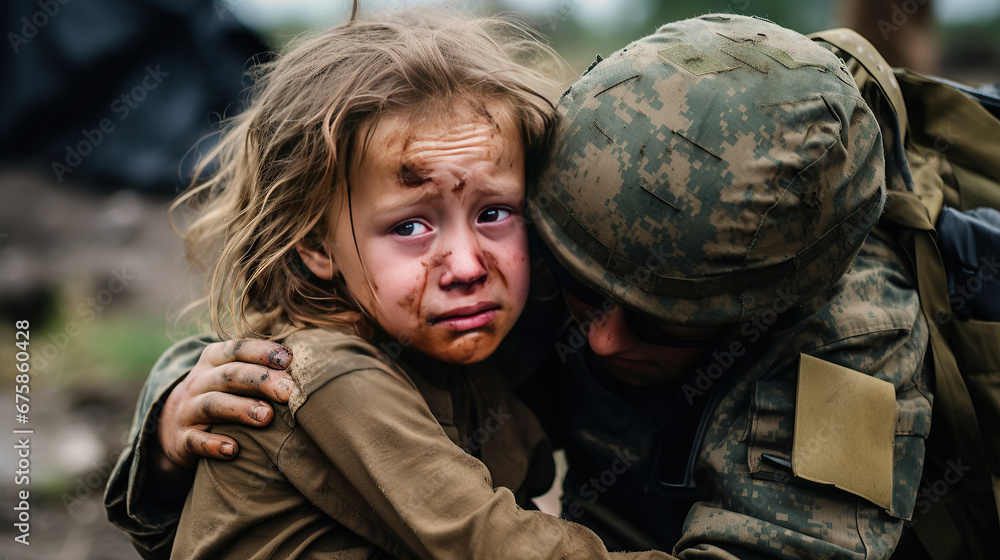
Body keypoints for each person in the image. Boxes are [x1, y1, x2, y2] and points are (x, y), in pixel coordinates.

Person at [107, 14, 933, 559]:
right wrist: (178, 397)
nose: (602, 340)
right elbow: (307, 371)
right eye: (582, 291)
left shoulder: (849, 343)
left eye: (663, 322)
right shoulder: (543, 226)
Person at [107, 6, 671, 560]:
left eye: (495, 213)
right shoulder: (327, 375)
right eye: (410, 226)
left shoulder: (467, 359)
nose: (468, 266)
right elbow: (498, 546)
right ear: (316, 245)